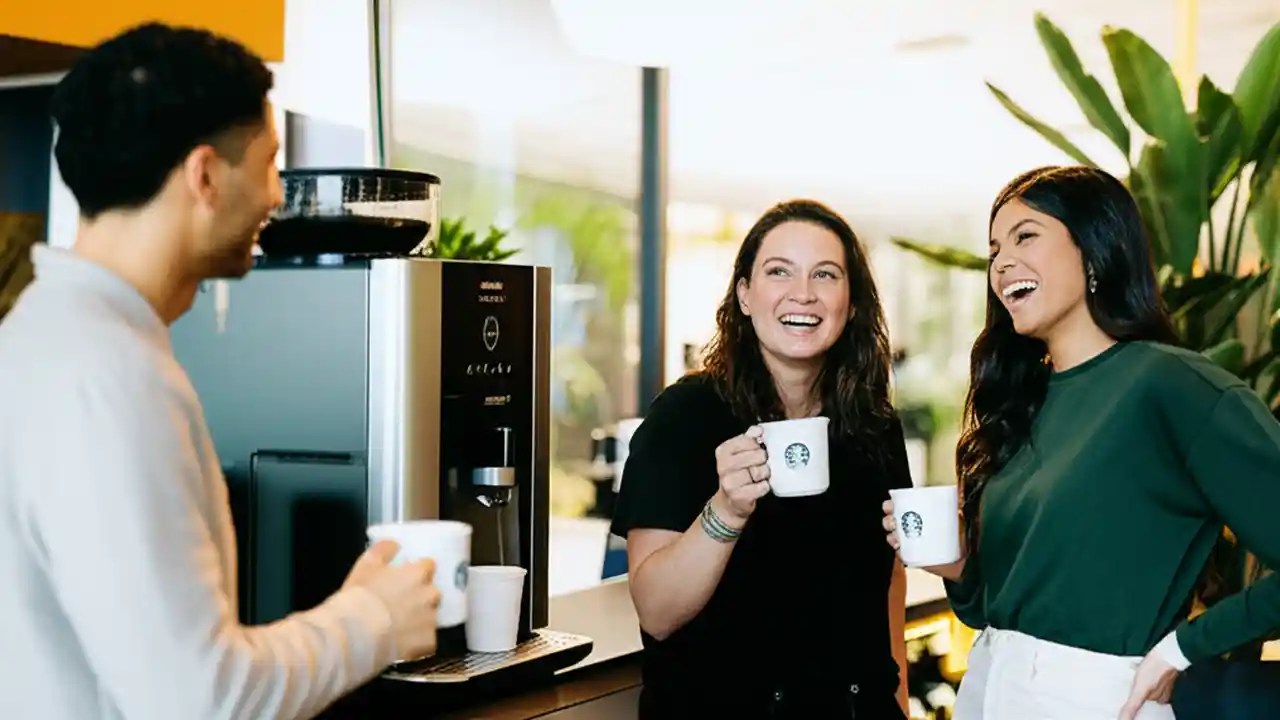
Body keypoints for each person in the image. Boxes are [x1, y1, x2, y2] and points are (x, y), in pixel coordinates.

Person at [0, 23, 441, 720]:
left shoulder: (36, 339)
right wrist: (374, 621)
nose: (275, 195)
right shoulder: (112, 377)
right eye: (268, 164)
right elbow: (200, 699)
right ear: (205, 176)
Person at [882, 165, 1280, 719]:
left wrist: (1182, 648)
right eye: (994, 248)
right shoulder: (1022, 403)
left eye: (1026, 236)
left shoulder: (1171, 385)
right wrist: (956, 565)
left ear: (1094, 251)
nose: (1002, 263)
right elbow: (996, 607)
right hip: (989, 687)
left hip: (1096, 700)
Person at [612, 199, 913, 719]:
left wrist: (900, 703)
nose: (803, 293)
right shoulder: (684, 417)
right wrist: (726, 512)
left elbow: (889, 581)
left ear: (852, 301)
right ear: (745, 295)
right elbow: (656, 611)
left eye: (826, 274)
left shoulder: (873, 423)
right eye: (779, 272)